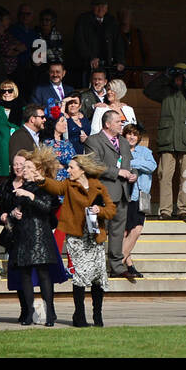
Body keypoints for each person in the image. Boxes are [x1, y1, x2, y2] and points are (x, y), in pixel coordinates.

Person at [40, 153, 117, 326]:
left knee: (98, 276)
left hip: (95, 237)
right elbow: (55, 187)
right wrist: (41, 180)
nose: (68, 170)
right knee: (80, 275)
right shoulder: (68, 184)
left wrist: (100, 210)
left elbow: (111, 209)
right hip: (76, 237)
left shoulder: (98, 186)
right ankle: (79, 315)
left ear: (82, 170)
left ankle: (97, 315)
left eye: (72, 167)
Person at [0, 150, 61, 325]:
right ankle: (29, 313)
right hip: (22, 236)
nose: (23, 169)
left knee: (43, 275)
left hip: (40, 236)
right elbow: (11, 210)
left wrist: (29, 196)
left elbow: (47, 207)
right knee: (24, 275)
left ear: (37, 169)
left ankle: (49, 314)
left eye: (27, 167)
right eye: (22, 166)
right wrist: (13, 214)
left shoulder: (44, 186)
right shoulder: (20, 187)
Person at [144, 62, 186, 222]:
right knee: (164, 175)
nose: (179, 78)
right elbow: (149, 91)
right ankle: (165, 210)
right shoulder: (166, 91)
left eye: (182, 74)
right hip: (167, 140)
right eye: (177, 75)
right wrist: (165, 76)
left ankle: (184, 210)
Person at [84, 110, 138, 281]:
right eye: (118, 121)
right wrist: (118, 172)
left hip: (121, 193)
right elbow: (94, 165)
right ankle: (93, 266)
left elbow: (129, 162)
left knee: (117, 231)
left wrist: (133, 173)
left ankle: (116, 266)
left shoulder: (122, 141)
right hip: (101, 194)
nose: (121, 124)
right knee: (97, 232)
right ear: (107, 124)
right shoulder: (93, 141)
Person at [122, 123, 156, 277]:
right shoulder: (120, 150)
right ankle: (128, 264)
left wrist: (132, 163)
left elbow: (152, 166)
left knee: (137, 230)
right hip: (124, 195)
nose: (132, 137)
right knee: (124, 232)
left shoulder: (145, 151)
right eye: (129, 134)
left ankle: (119, 261)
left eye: (135, 134)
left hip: (142, 195)